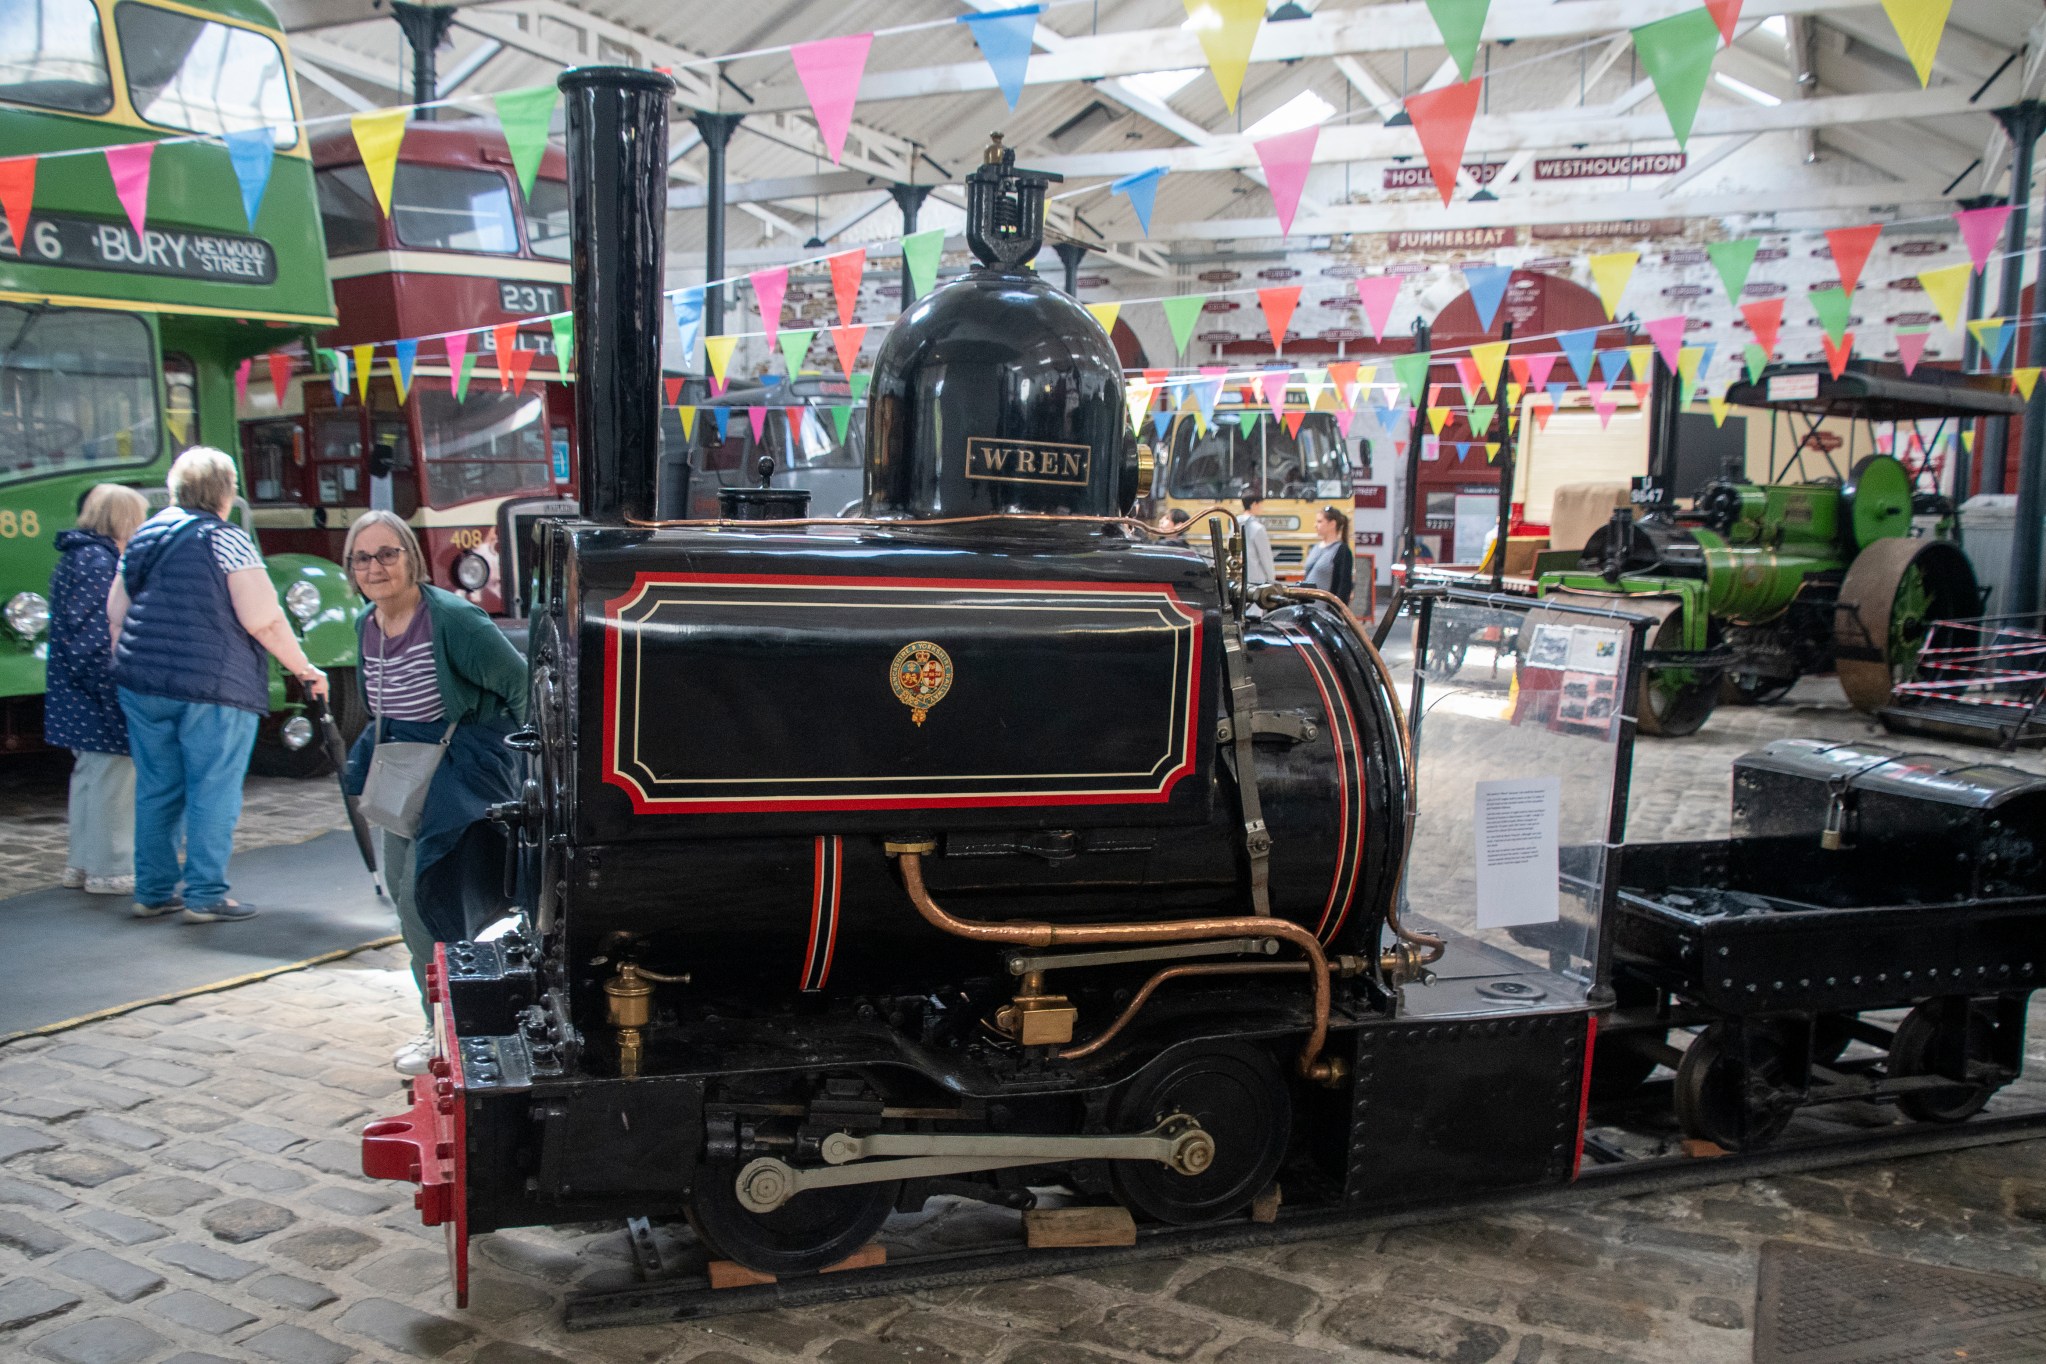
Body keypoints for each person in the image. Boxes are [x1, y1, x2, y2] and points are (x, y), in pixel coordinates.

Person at [339, 511, 526, 1075]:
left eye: (387, 553)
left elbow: (521, 686)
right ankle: (440, 1022)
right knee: (407, 903)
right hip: (405, 769)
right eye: (363, 558)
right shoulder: (367, 623)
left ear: (411, 557)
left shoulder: (453, 620)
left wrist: (525, 767)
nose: (375, 567)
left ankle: (451, 1031)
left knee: (427, 902)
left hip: (457, 772)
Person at [109, 447, 330, 923]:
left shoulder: (146, 534)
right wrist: (304, 668)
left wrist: (129, 664)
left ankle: (152, 891)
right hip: (213, 687)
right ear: (226, 492)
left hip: (142, 684)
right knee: (212, 789)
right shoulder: (227, 538)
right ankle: (205, 895)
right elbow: (263, 619)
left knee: (157, 787)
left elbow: (116, 614)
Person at [48, 484, 150, 896]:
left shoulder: (78, 556)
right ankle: (112, 868)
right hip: (95, 692)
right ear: (123, 519)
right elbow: (95, 637)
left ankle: (82, 863)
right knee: (114, 779)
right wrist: (115, 692)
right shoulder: (99, 562)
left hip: (75, 692)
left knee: (91, 776)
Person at [1302, 505, 1355, 605]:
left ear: (1332, 524)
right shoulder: (1315, 548)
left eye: (1320, 522)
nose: (1315, 525)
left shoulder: (1342, 551)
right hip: (1307, 608)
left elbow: (1344, 586)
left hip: (1325, 610)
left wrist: (1336, 610)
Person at [1240, 494, 1276, 586]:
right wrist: (1271, 578)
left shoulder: (1234, 524)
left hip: (1239, 578)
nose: (1262, 508)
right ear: (1254, 505)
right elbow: (1265, 556)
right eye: (1260, 504)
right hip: (1257, 579)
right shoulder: (1258, 528)